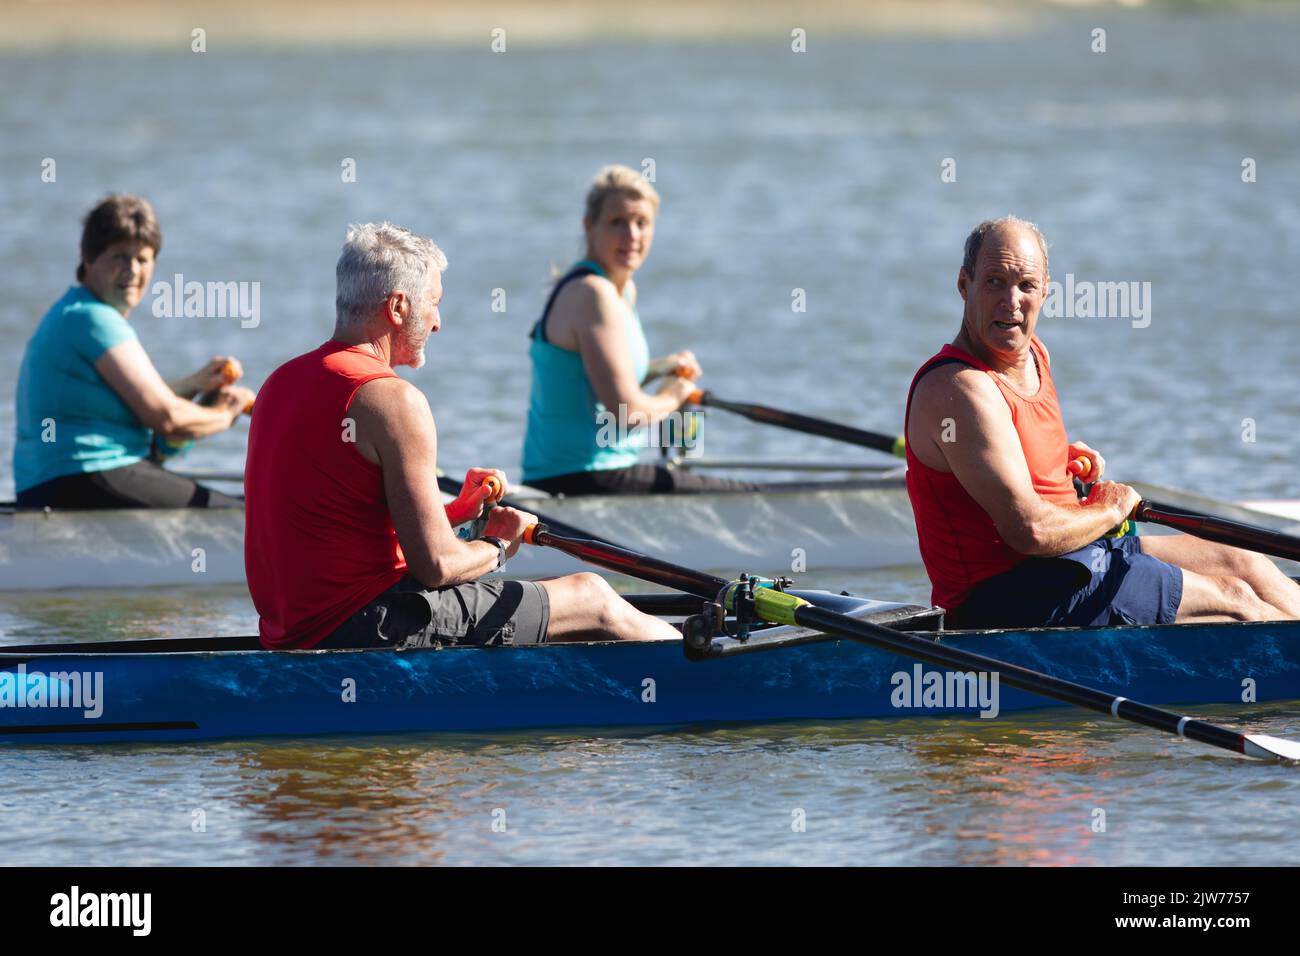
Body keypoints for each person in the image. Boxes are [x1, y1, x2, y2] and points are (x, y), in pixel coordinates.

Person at [244, 221, 683, 650]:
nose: (437, 322)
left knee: (568, 604)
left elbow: (350, 526)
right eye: (433, 302)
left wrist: (456, 512)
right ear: (399, 307)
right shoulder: (394, 401)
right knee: (591, 595)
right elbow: (435, 566)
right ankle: (702, 669)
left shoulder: (279, 383)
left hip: (294, 631)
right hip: (367, 626)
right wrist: (497, 545)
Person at [904, 216, 1300, 627]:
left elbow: (1006, 448)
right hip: (1009, 595)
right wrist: (1111, 509)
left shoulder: (1034, 354)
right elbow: (1030, 531)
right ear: (963, 284)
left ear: (1045, 292)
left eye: (1026, 286)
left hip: (1074, 558)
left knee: (1245, 564)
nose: (1011, 301)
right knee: (1235, 599)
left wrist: (1058, 460)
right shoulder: (958, 388)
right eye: (993, 282)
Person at [521, 165, 758, 494]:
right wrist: (673, 395)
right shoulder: (591, 293)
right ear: (590, 227)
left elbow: (602, 380)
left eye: (642, 223)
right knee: (746, 494)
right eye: (617, 222)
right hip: (576, 480)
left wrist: (661, 368)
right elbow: (625, 411)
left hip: (598, 473)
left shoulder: (622, 291)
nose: (631, 235)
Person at [13, 194, 254, 509]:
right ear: (88, 259)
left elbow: (154, 427)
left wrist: (195, 386)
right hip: (79, 478)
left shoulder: (77, 313)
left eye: (142, 259)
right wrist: (226, 412)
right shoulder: (90, 319)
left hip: (57, 483)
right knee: (244, 514)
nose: (131, 270)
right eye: (119, 256)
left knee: (235, 504)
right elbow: (166, 418)